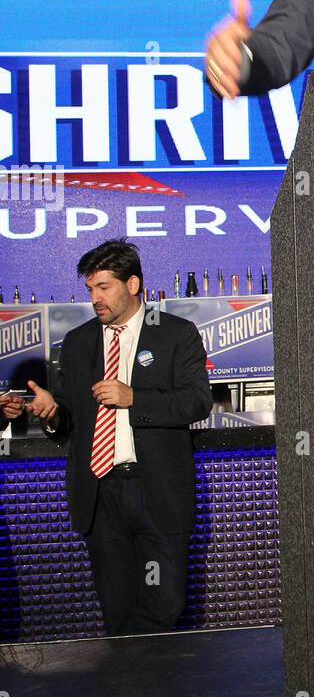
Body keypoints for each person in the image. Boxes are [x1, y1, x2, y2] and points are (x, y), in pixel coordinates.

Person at [0, 240, 213, 635]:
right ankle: (128, 694)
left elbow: (197, 402)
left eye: (104, 287)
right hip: (101, 496)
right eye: (90, 290)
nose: (95, 298)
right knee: (117, 612)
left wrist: (134, 398)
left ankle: (159, 689)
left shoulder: (175, 335)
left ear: (133, 284)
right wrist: (51, 412)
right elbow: (68, 419)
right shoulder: (79, 342)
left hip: (157, 494)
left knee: (165, 605)